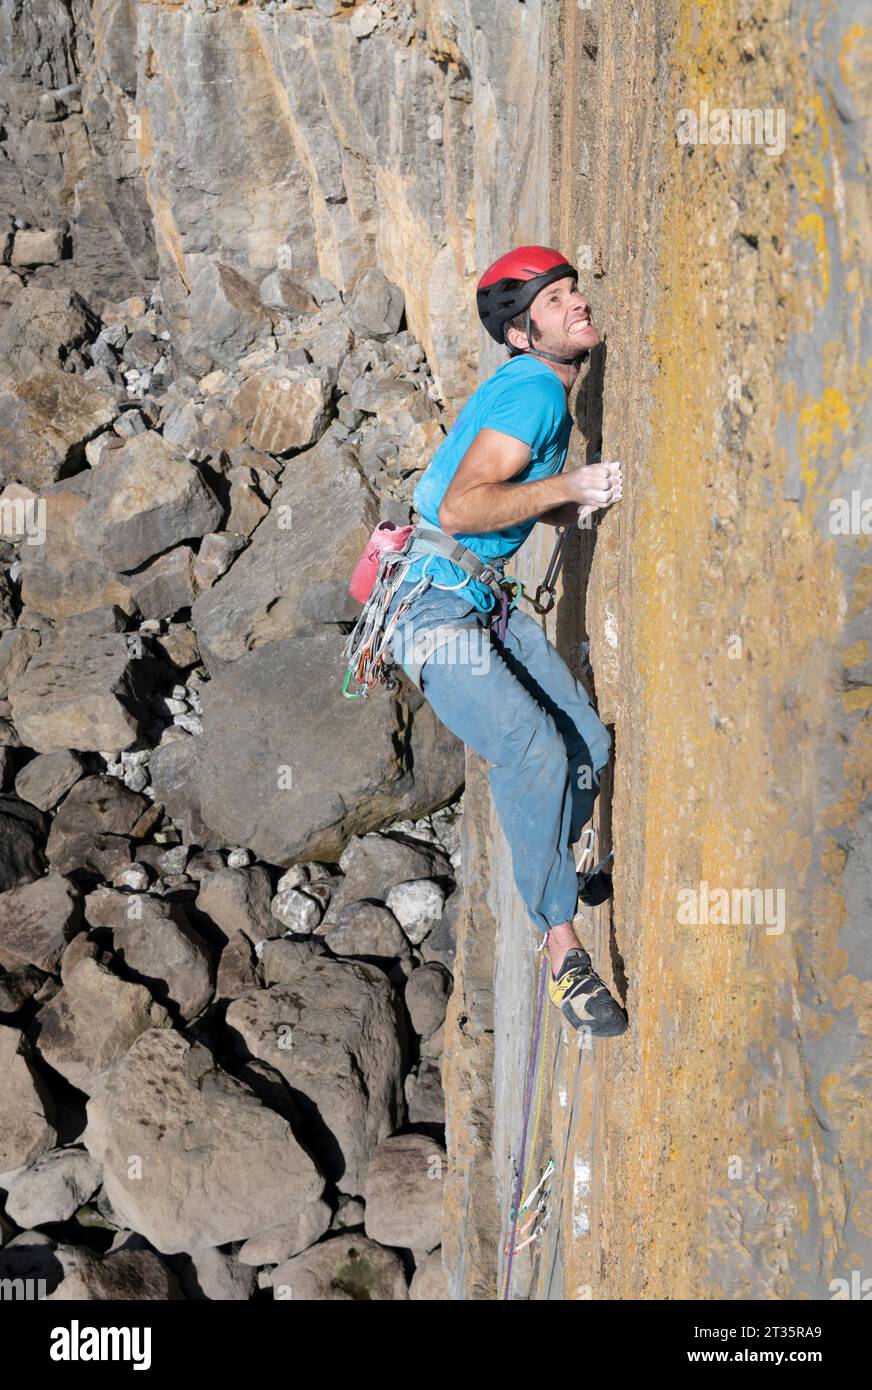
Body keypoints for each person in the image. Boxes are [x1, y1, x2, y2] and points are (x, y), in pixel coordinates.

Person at [384, 245, 627, 1036]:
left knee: (586, 743)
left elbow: (491, 500)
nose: (577, 303)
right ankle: (562, 949)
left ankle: (557, 863)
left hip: (471, 599)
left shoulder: (531, 386)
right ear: (523, 334)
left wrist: (555, 509)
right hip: (434, 612)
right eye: (555, 302)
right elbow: (460, 509)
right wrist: (570, 487)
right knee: (533, 751)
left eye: (572, 290)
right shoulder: (535, 393)